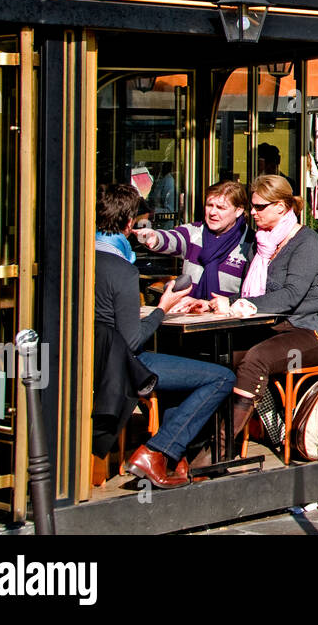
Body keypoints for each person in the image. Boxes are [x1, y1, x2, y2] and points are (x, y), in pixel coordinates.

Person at [94, 185, 234, 488]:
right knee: (221, 378)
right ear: (129, 224)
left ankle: (174, 455)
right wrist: (162, 308)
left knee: (185, 369)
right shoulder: (123, 271)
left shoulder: (77, 260)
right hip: (120, 367)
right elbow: (131, 342)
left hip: (88, 363)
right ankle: (157, 451)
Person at [214, 175, 318, 445]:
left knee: (256, 359)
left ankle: (219, 446)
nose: (252, 212)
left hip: (305, 332)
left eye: (259, 206)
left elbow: (290, 296)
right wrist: (217, 301)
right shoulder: (261, 242)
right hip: (267, 328)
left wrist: (236, 305)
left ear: (281, 206)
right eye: (252, 206)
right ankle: (203, 437)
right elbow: (253, 295)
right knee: (220, 354)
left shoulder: (306, 241)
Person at [135, 181, 253, 301]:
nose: (212, 213)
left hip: (228, 316)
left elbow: (253, 293)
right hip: (189, 313)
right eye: (209, 205)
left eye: (221, 208)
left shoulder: (250, 243)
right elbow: (173, 238)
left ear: (238, 211)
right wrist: (155, 238)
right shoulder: (194, 232)